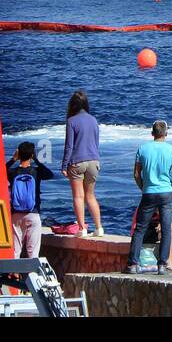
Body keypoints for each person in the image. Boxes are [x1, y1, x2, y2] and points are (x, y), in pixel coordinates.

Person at [128, 120, 172, 274]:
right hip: (166, 193)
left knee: (139, 229)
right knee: (166, 229)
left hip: (149, 192)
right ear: (166, 133)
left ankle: (133, 264)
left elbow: (136, 174)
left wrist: (143, 187)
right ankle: (162, 265)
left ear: (152, 133)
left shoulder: (143, 149)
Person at [61, 90, 103, 238]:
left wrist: (64, 165)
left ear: (72, 105)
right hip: (94, 161)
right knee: (90, 196)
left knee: (78, 196)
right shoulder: (93, 120)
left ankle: (82, 229)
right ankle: (99, 228)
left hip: (77, 162)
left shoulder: (71, 121)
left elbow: (69, 146)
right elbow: (96, 142)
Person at [7, 141, 54, 258]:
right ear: (32, 155)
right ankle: (32, 274)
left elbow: (0, 172)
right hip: (33, 213)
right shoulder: (36, 172)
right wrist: (37, 160)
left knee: (15, 250)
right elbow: (50, 174)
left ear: (18, 154)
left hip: (16, 214)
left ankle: (13, 274)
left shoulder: (12, 172)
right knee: (33, 251)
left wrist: (13, 159)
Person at [128, 204, 172, 271]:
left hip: (143, 233)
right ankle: (168, 260)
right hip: (142, 233)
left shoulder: (151, 200)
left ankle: (169, 258)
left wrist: (162, 223)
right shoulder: (153, 203)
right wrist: (163, 223)